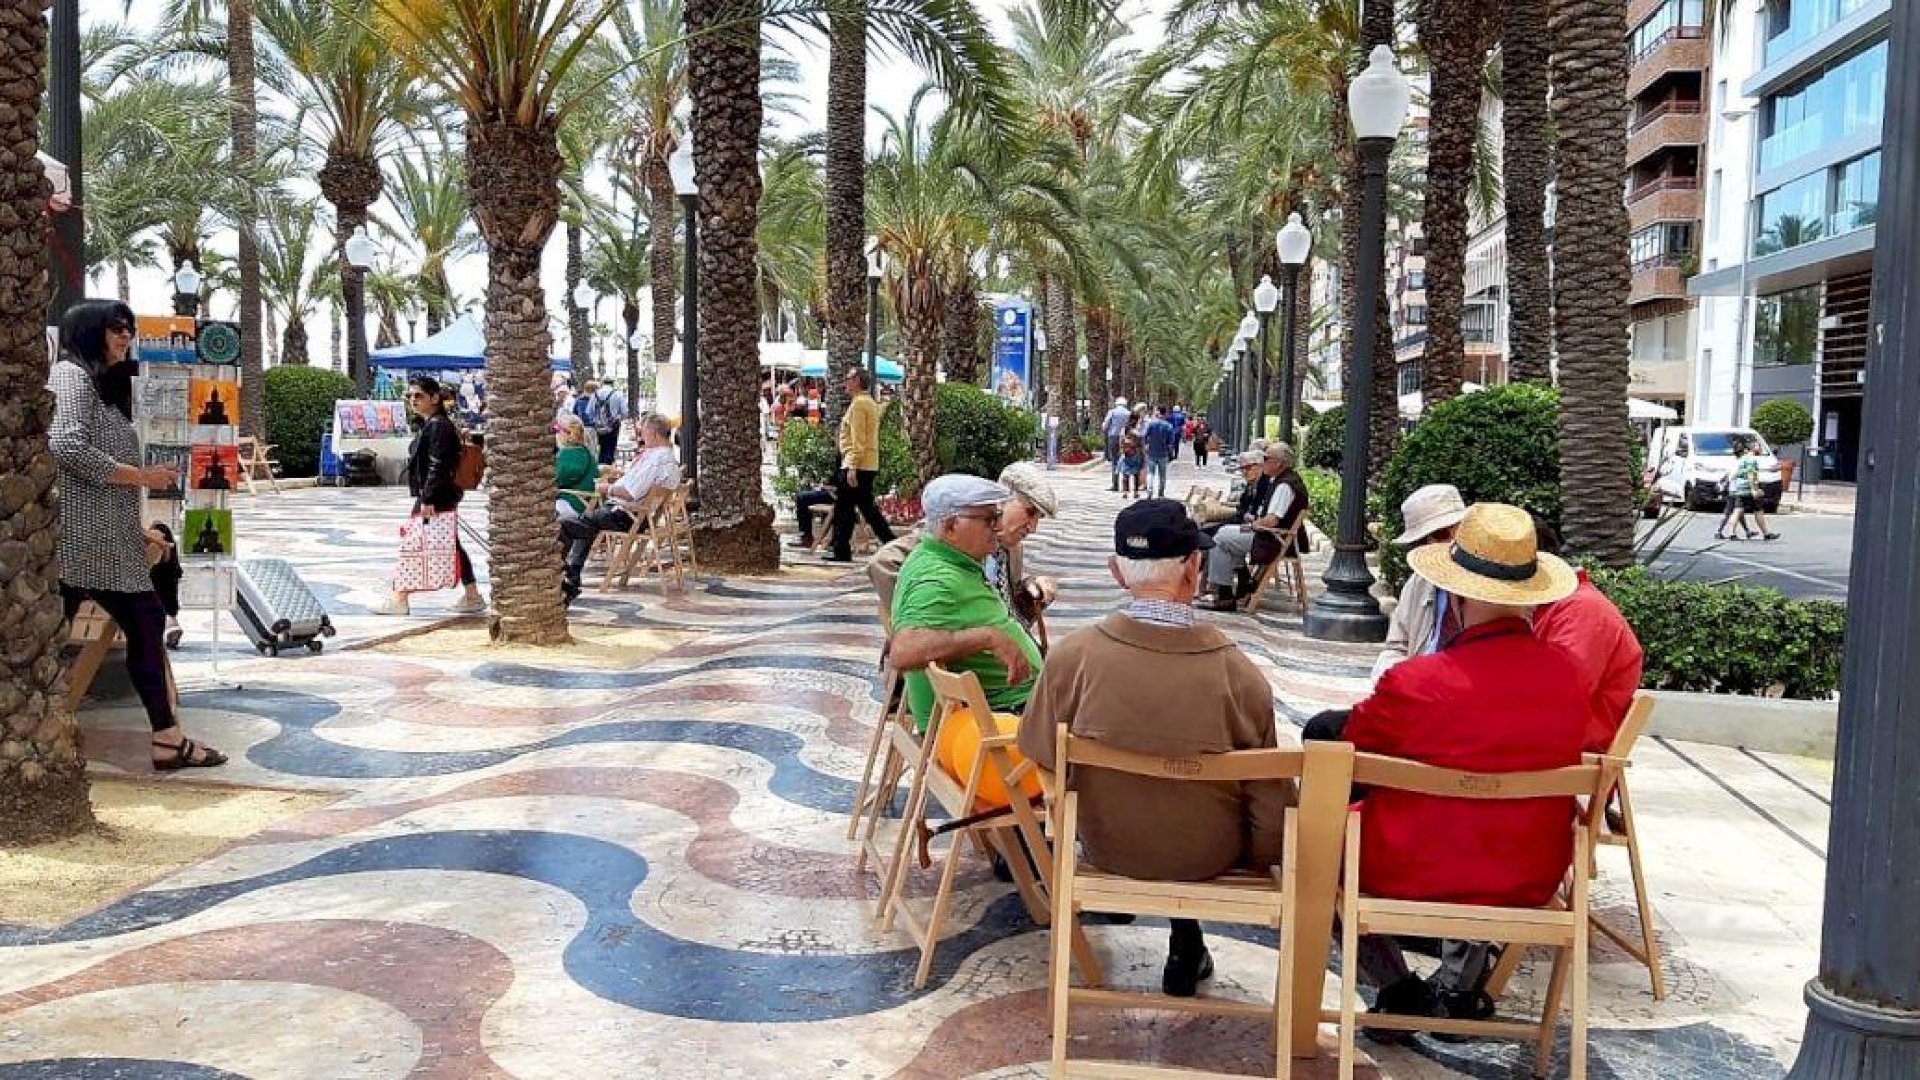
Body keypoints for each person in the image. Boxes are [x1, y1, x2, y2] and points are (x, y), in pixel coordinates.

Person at [1311, 502, 1587, 1028]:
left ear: (1455, 595)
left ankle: (1394, 985)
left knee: (1315, 841)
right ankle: (1461, 986)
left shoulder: (1417, 684)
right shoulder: (1569, 677)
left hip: (1408, 870)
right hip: (1528, 876)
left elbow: (1354, 753)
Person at [1019, 499, 1294, 997]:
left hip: (1109, 847)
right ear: (1194, 568)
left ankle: (1178, 936)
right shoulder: (1240, 676)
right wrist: (1262, 859)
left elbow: (1040, 755)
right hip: (1208, 856)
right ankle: (1186, 940)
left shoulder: (1072, 658)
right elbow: (1268, 800)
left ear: (1117, 572)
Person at [48, 299, 226, 770]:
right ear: (89, 332)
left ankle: (167, 738)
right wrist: (141, 477)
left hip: (106, 539)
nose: (126, 337)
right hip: (82, 542)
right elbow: (64, 443)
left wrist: (136, 525)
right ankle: (165, 739)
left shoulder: (97, 385)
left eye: (128, 329)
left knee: (143, 625)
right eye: (116, 329)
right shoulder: (70, 376)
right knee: (129, 625)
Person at [887, 475, 1044, 731]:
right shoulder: (937, 579)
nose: (997, 526)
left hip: (1014, 708)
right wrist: (988, 637)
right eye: (989, 520)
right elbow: (904, 652)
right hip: (1008, 719)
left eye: (998, 516)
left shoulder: (949, 560)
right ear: (950, 527)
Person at [871, 464, 1060, 634]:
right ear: (1004, 499)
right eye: (1030, 512)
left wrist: (1031, 588)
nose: (1033, 527)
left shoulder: (1012, 550)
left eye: (1039, 518)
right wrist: (915, 623)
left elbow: (1006, 608)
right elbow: (883, 563)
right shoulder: (954, 535)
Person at [1530, 517, 1646, 753]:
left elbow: (1560, 696)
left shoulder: (1581, 609)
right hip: (1551, 737)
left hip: (1567, 742)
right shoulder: (1566, 604)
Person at [374, 375, 486, 616]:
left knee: (412, 543)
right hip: (440, 494)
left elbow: (437, 464)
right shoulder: (436, 423)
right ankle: (472, 594)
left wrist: (427, 499)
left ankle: (400, 598)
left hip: (435, 496)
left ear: (434, 398)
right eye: (411, 396)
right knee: (452, 543)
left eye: (419, 396)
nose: (413, 400)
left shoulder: (436, 426)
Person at [559, 413, 683, 604]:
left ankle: (566, 580)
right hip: (636, 516)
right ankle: (571, 577)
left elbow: (630, 493)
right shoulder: (668, 459)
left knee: (565, 525)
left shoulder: (656, 460)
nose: (641, 434)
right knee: (584, 523)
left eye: (643, 431)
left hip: (624, 516)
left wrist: (607, 488)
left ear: (654, 433)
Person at [1196, 443, 1308, 610]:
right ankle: (1240, 582)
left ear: (1279, 463)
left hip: (1273, 539)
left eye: (1266, 458)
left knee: (1219, 540)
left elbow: (1272, 520)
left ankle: (1227, 594)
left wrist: (1254, 524)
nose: (1263, 462)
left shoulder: (1285, 485)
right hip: (1272, 536)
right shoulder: (1281, 480)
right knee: (1223, 533)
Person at [1372, 484, 1469, 677]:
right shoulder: (1418, 582)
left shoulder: (1486, 585)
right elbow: (1396, 646)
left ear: (1464, 528)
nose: (1432, 546)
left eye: (1441, 534)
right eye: (1421, 541)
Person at [827, 368, 897, 563]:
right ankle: (890, 543)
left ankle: (842, 551)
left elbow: (859, 439)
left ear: (857, 380)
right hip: (867, 464)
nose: (845, 382)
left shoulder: (859, 405)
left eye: (848, 378)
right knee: (866, 509)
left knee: (845, 510)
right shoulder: (869, 403)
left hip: (856, 464)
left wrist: (852, 467)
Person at [553, 415, 598, 520]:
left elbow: (555, 480)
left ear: (566, 434)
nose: (555, 434)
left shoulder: (566, 454)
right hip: (585, 504)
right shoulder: (586, 452)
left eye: (556, 430)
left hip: (571, 504)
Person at [585, 380, 627, 464]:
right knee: (611, 448)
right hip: (613, 426)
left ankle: (601, 467)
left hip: (599, 427)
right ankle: (609, 466)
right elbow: (624, 412)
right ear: (613, 383)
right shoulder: (618, 394)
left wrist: (596, 421)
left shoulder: (595, 394)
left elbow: (589, 412)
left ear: (602, 383)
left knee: (601, 448)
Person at [787, 485, 838, 550]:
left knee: (802, 497)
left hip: (839, 494)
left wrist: (831, 488)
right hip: (830, 492)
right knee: (801, 496)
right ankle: (806, 537)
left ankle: (807, 537)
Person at [1142, 406, 1177, 499]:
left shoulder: (1151, 424)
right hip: (1163, 453)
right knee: (1162, 474)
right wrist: (1170, 452)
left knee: (1150, 473)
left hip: (1152, 452)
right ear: (1165, 413)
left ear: (1158, 412)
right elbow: (1171, 441)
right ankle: (1160, 493)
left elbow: (1145, 436)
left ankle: (1149, 492)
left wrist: (1146, 445)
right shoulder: (1168, 426)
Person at [1102, 397, 1132, 491]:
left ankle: (1115, 485)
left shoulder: (1112, 412)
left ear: (1116, 404)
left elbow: (1106, 425)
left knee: (1115, 460)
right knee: (1126, 460)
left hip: (1113, 437)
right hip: (1126, 438)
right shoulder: (1128, 413)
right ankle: (1126, 485)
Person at [1117, 412, 1146, 499]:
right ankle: (1135, 492)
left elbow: (1121, 440)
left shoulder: (1124, 429)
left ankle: (1125, 492)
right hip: (1136, 453)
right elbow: (1142, 443)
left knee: (1125, 473)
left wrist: (1122, 450)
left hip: (1127, 453)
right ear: (1137, 419)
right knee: (1136, 473)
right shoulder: (1138, 430)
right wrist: (1143, 455)